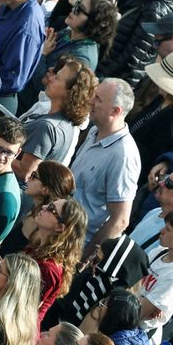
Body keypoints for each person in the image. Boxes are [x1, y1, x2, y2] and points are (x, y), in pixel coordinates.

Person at [71, 79, 141, 253]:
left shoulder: (123, 156)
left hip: (73, 247)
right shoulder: (95, 131)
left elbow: (120, 220)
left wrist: (84, 260)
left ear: (115, 111)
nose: (90, 101)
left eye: (98, 99)